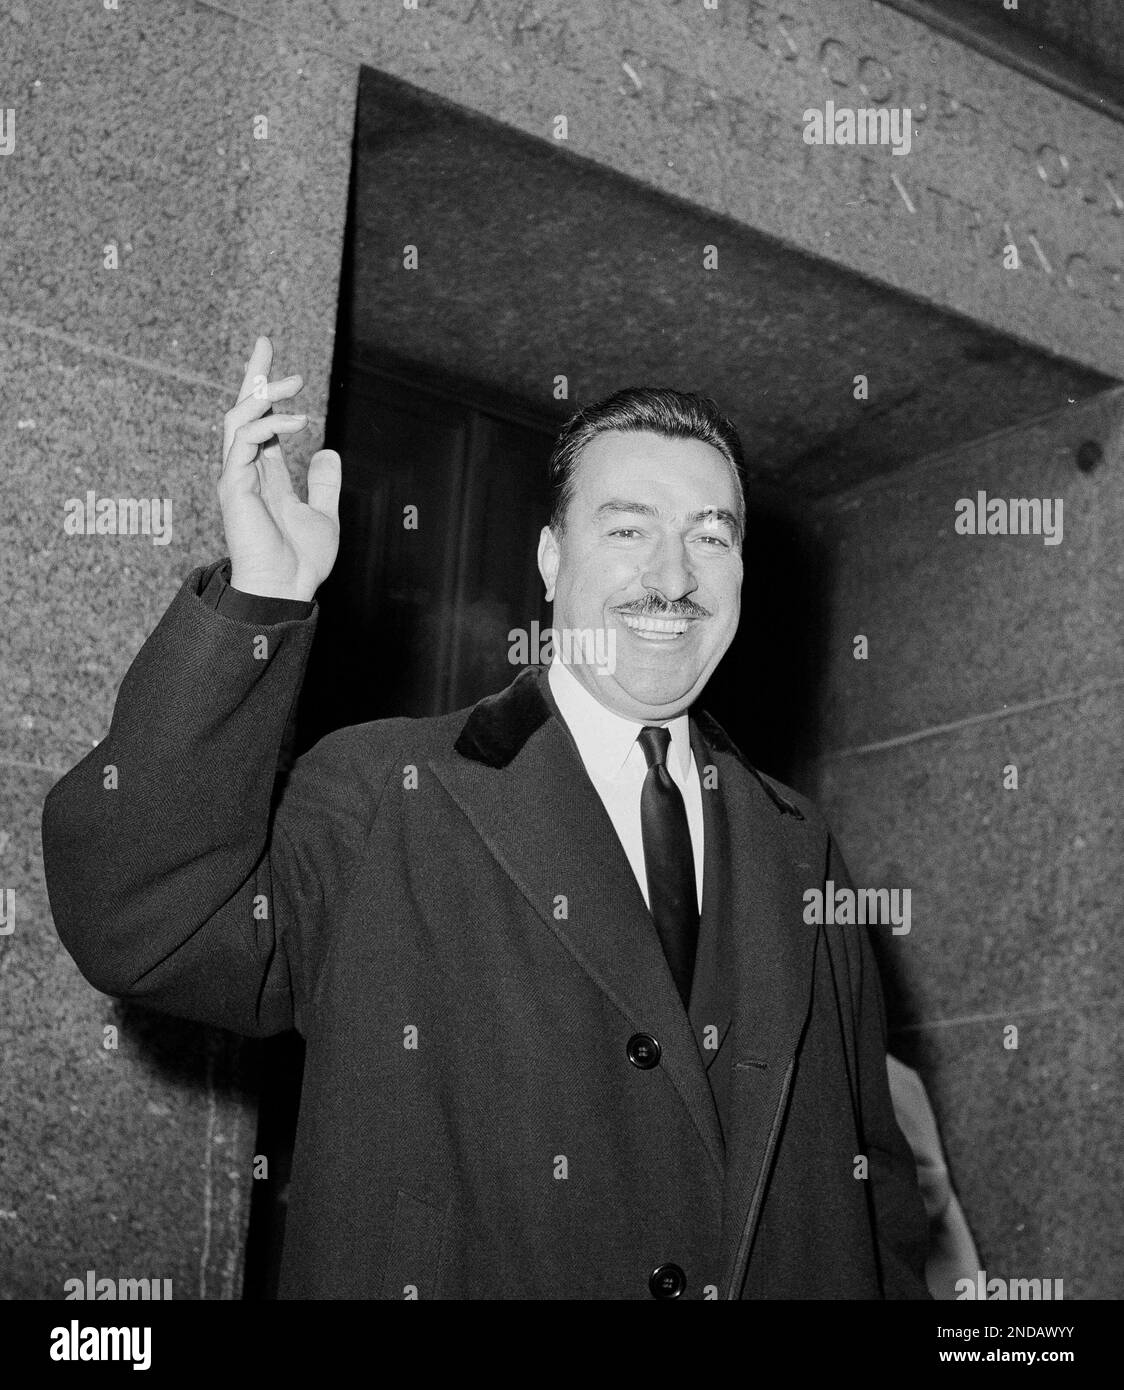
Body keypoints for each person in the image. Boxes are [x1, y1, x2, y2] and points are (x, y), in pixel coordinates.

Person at [42, 337, 930, 1300]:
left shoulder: (803, 853)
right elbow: (144, 923)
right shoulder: (387, 792)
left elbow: (870, 1196)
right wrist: (262, 599)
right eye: (628, 530)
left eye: (712, 536)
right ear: (551, 559)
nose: (674, 577)